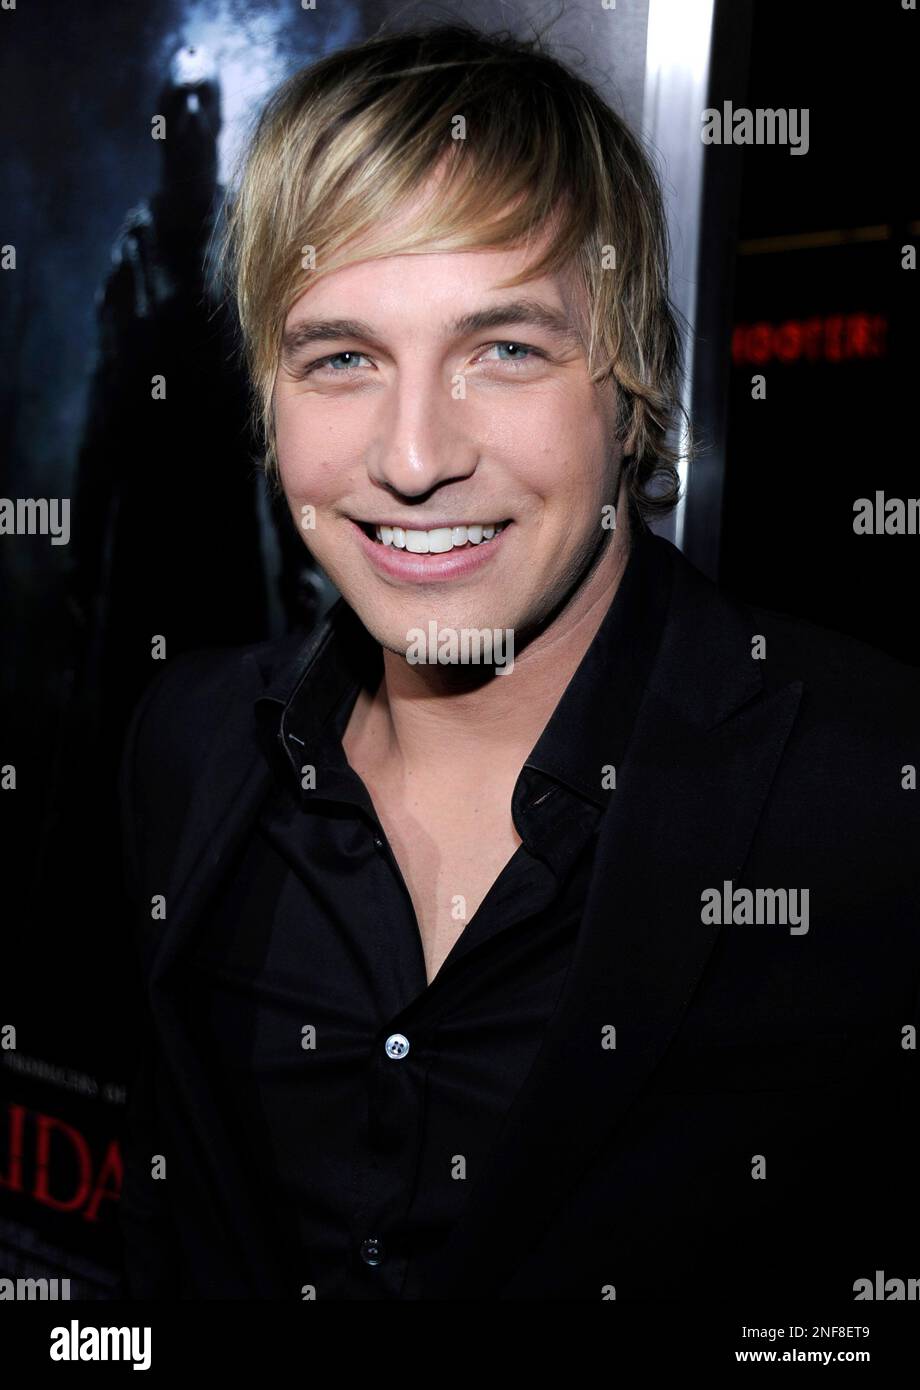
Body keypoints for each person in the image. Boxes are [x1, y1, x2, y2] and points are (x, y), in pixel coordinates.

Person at [116, 23, 919, 1301]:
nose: (415, 452)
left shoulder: (869, 795)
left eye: (504, 349)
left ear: (632, 379)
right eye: (341, 358)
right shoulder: (184, 747)